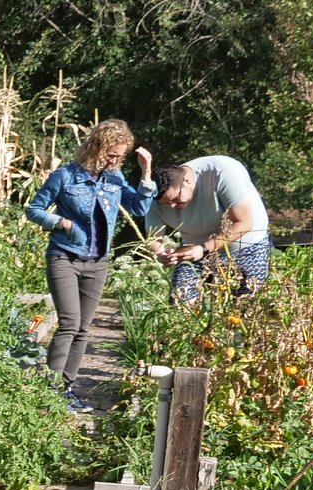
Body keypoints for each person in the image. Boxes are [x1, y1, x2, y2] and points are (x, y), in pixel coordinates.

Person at [24, 119, 157, 410]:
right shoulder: (65, 177)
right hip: (65, 257)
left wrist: (146, 173)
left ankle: (66, 389)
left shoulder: (115, 178)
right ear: (96, 147)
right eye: (112, 154)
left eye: (120, 156)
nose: (115, 160)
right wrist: (60, 222)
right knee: (69, 323)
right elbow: (33, 210)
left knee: (83, 328)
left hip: (98, 262)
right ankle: (48, 391)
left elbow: (140, 207)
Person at [138, 154, 271, 304]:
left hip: (247, 244)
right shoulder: (153, 198)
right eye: (167, 204)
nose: (173, 207)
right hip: (194, 251)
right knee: (180, 302)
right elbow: (155, 239)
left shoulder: (222, 172)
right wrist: (162, 254)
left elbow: (244, 223)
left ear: (187, 180)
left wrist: (204, 248)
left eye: (176, 199)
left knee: (245, 306)